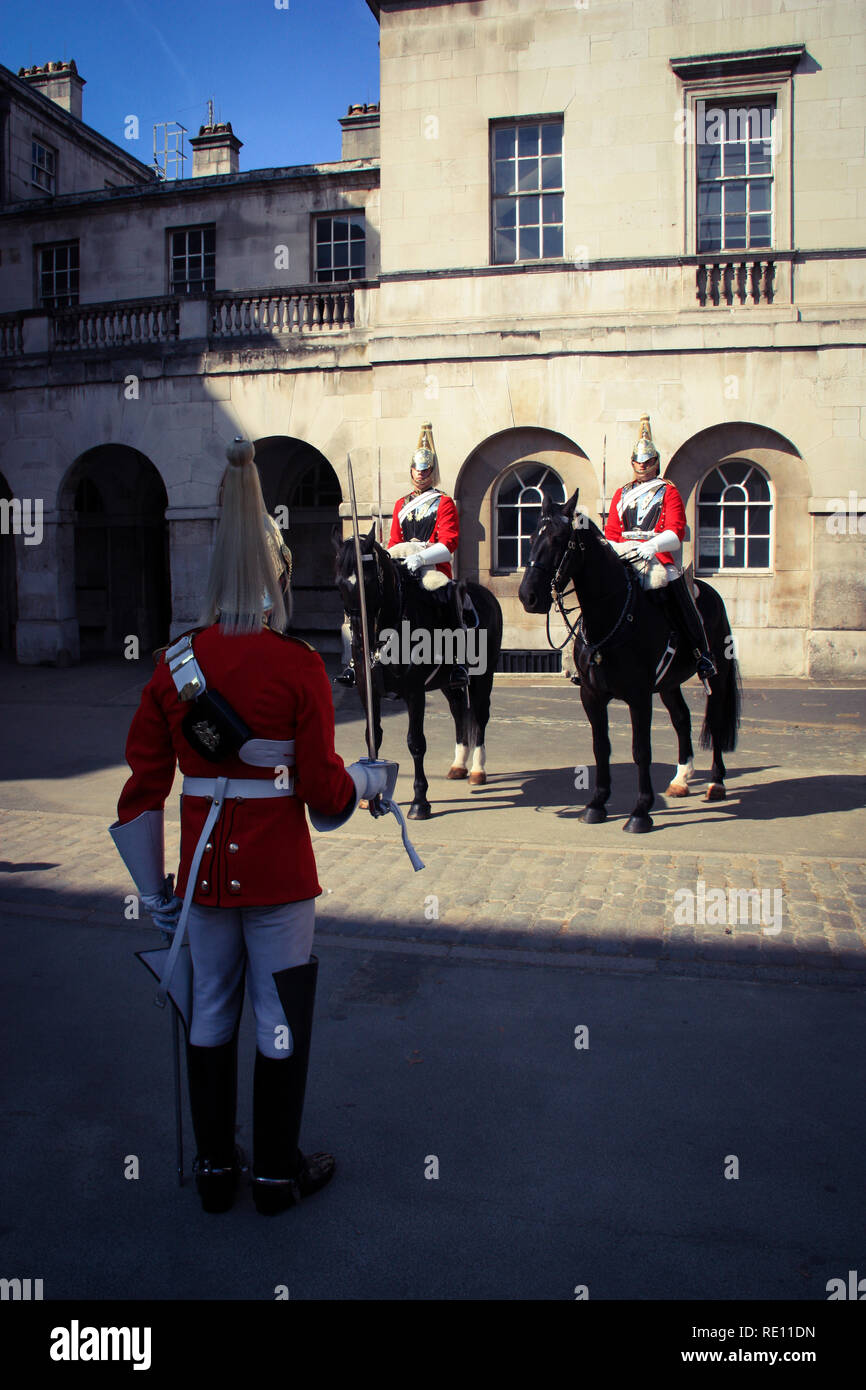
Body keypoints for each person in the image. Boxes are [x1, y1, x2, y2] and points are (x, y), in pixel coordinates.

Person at [109, 436, 394, 1216]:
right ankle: (274, 1173)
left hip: (203, 882)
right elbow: (324, 795)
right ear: (277, 576)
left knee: (208, 1012)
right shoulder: (300, 667)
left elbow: (142, 788)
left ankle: (212, 1174)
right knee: (278, 1018)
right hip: (279, 879)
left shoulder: (173, 667)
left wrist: (155, 891)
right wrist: (369, 780)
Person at [336, 423, 470, 688]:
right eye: (417, 470)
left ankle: (457, 662)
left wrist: (421, 558)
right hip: (401, 563)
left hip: (432, 566)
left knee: (448, 594)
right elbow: (394, 540)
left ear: (433, 472)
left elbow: (449, 542)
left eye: (426, 470)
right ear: (410, 470)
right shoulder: (401, 504)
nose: (420, 475)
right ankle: (357, 661)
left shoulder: (443, 502)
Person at [604, 415, 717, 681]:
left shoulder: (669, 492)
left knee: (677, 590)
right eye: (638, 462)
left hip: (657, 557)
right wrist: (622, 548)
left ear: (656, 463)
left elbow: (676, 531)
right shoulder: (622, 493)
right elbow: (611, 531)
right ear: (632, 463)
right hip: (625, 555)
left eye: (648, 462)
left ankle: (701, 654)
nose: (643, 466)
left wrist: (653, 545)